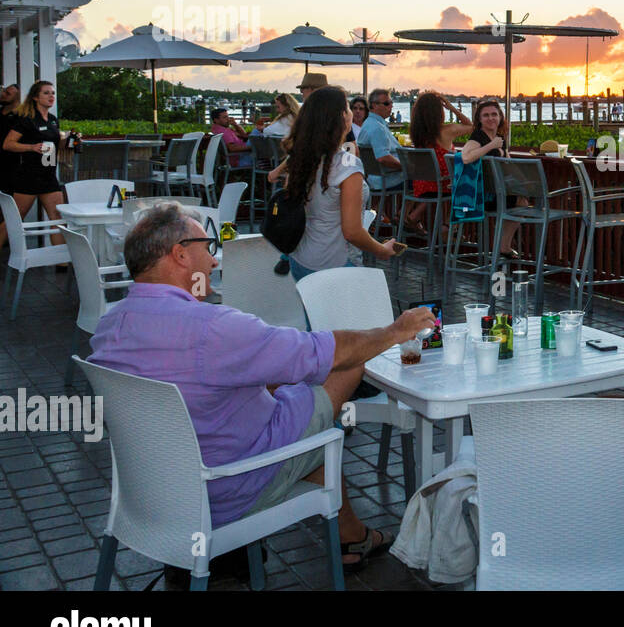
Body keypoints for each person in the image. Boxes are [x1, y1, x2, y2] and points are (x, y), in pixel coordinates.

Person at [88, 201, 433, 572]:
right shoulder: (214, 327)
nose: (215, 262)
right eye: (209, 247)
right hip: (225, 488)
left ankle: (352, 535)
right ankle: (348, 534)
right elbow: (326, 352)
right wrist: (396, 331)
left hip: (153, 491)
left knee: (282, 395)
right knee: (344, 365)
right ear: (180, 255)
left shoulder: (108, 328)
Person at [285, 86, 396, 280]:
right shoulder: (348, 166)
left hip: (300, 257)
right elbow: (352, 232)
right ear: (342, 117)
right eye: (348, 108)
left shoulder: (301, 158)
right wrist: (381, 250)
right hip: (336, 262)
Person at [2, 80, 68, 256]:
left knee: (58, 218)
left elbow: (55, 145)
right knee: (14, 220)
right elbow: (8, 144)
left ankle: (61, 263)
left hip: (49, 175)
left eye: (53, 93)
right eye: (46, 93)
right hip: (29, 176)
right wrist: (31, 147)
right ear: (35, 97)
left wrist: (68, 141)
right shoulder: (27, 119)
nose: (51, 96)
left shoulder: (53, 120)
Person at [460, 98, 520, 257]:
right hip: (482, 198)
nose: (491, 118)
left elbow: (507, 164)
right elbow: (465, 157)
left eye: (494, 114)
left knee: (521, 200)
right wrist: (490, 146)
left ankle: (502, 244)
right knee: (522, 204)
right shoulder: (478, 137)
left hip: (493, 192)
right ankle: (503, 246)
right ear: (479, 119)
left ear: (500, 117)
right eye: (486, 115)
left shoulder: (500, 139)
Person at [406, 91, 473, 232]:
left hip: (420, 185)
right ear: (439, 112)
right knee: (465, 184)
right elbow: (471, 126)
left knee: (455, 182)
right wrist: (452, 108)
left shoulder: (417, 133)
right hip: (442, 185)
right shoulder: (447, 130)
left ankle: (414, 215)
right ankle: (448, 224)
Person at [356, 89, 405, 216]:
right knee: (424, 181)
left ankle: (385, 216)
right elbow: (383, 157)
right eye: (387, 103)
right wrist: (404, 167)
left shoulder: (369, 123)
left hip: (373, 178)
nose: (391, 106)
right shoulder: (377, 128)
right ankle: (406, 216)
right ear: (374, 105)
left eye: (391, 102)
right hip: (385, 179)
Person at [0, 82, 22, 249]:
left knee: (7, 202)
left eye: (8, 93)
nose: (4, 94)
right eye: (4, 92)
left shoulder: (20, 117)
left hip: (10, 166)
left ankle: (7, 240)